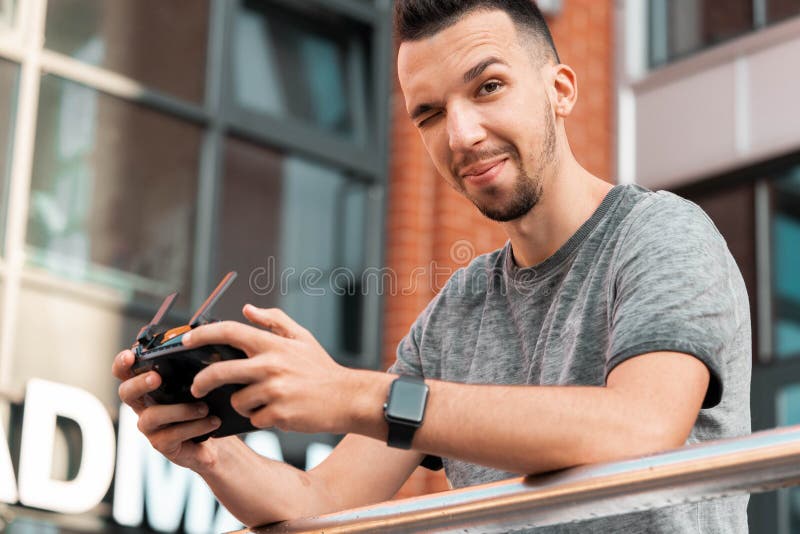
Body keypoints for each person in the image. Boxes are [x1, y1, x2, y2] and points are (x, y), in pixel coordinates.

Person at [112, 1, 751, 531]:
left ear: (560, 90)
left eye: (488, 87)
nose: (462, 134)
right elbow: (318, 506)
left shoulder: (662, 234)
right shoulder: (457, 311)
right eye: (431, 113)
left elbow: (641, 430)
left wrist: (351, 394)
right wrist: (209, 454)